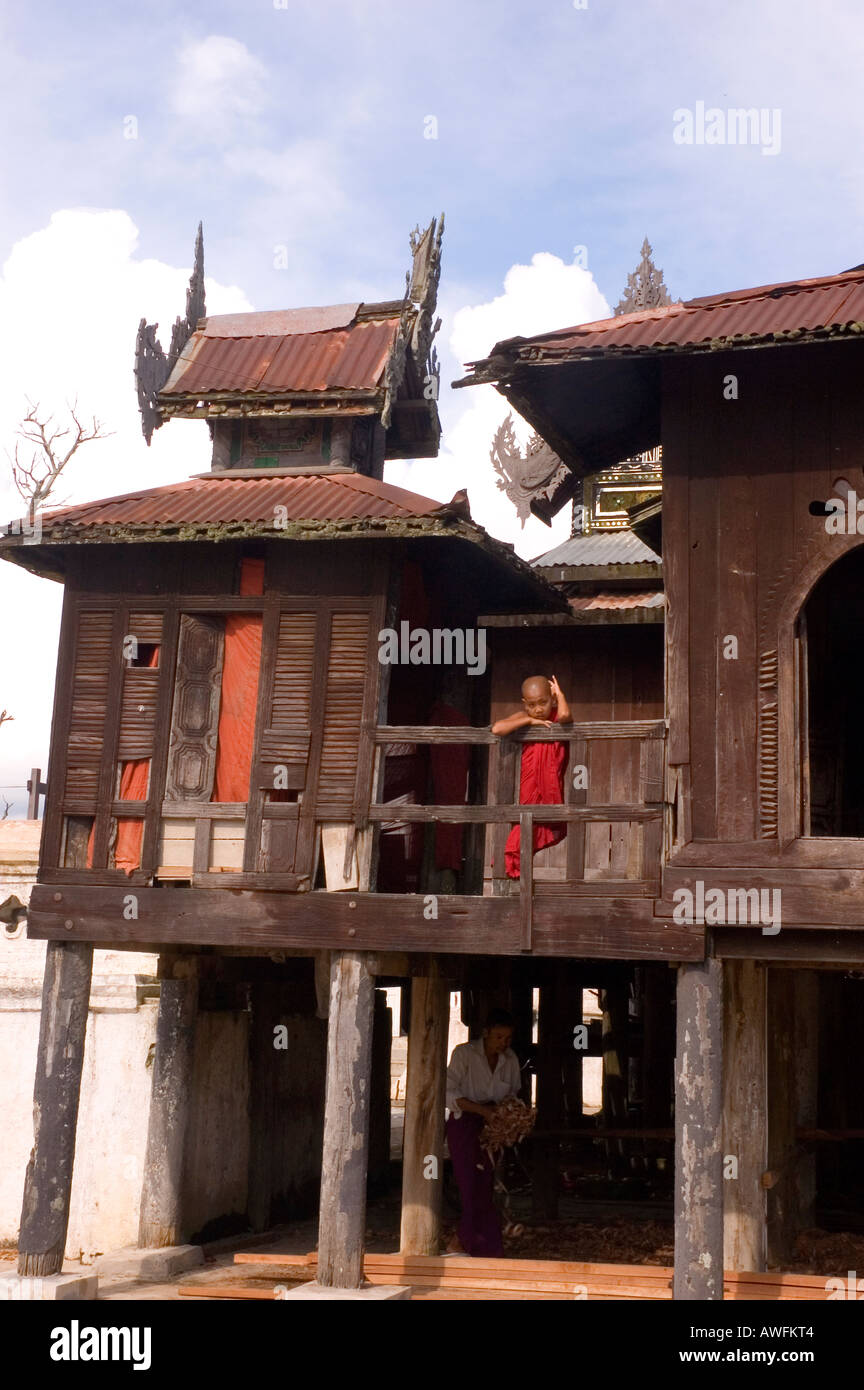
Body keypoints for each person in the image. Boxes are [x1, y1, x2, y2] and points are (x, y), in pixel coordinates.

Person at [445, 1009, 521, 1256]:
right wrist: (481, 1111)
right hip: (464, 1123)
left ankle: (480, 1245)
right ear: (486, 1033)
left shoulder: (510, 1060)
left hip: (493, 1126)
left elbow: (512, 1095)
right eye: (498, 1037)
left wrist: (508, 1118)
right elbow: (448, 1093)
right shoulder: (464, 1054)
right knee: (468, 1184)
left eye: (507, 1038)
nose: (503, 1043)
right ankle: (463, 1242)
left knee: (486, 1185)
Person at [491, 674, 571, 879]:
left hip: (550, 784)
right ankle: (513, 873)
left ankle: (519, 875)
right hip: (528, 785)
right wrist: (528, 720)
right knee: (523, 825)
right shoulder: (524, 716)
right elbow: (497, 729)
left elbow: (564, 716)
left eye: (543, 703)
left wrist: (560, 695)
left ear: (551, 700)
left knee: (538, 824)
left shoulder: (555, 716)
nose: (538, 709)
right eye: (532, 705)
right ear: (525, 705)